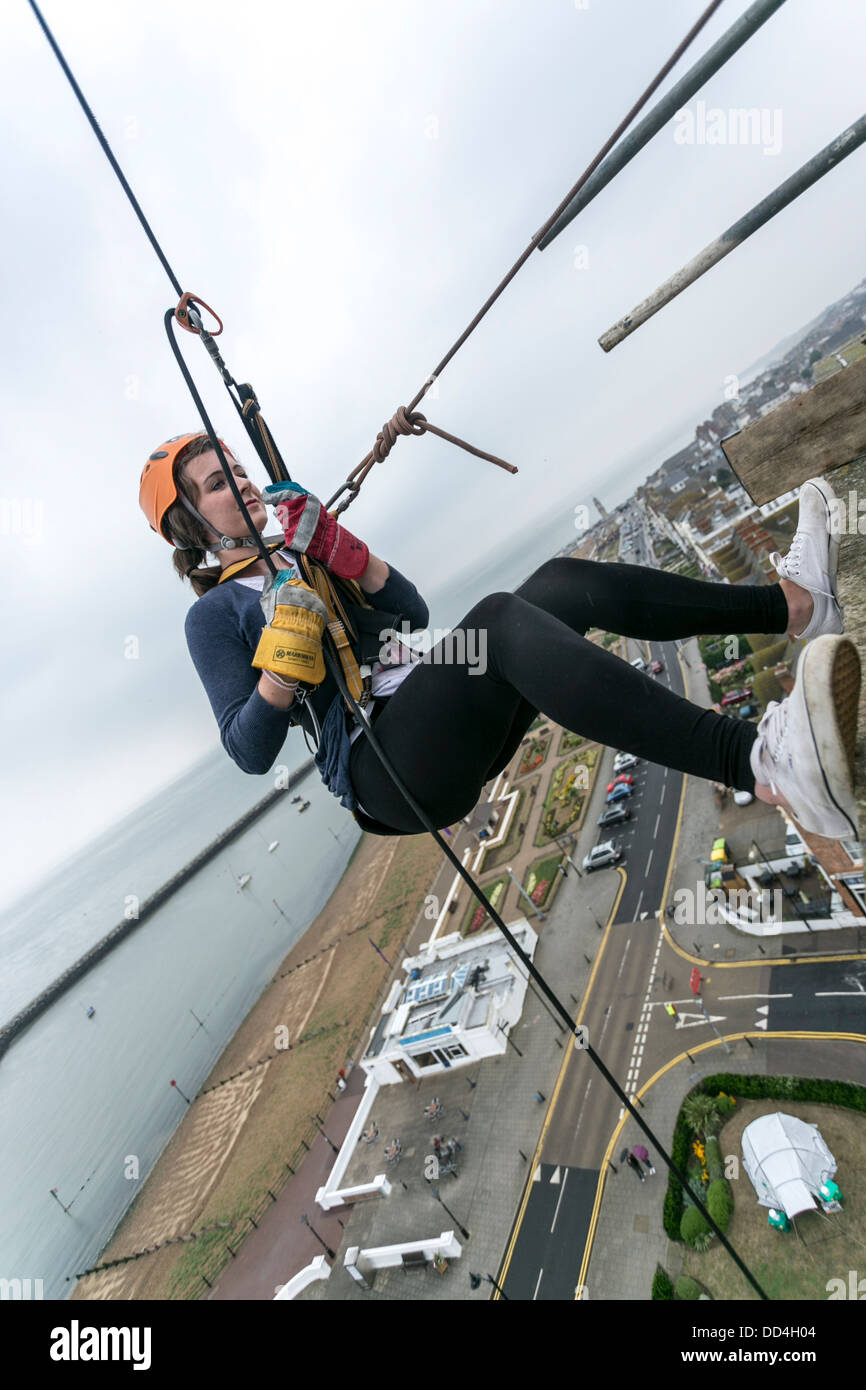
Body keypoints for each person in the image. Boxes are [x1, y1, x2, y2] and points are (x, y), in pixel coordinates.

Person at [139, 439, 860, 842]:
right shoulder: (215, 616)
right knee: (501, 618)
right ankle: (761, 762)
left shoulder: (301, 550)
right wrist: (281, 669)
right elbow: (247, 748)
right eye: (212, 484)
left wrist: (336, 544)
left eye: (233, 466)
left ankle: (795, 605)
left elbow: (411, 611)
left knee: (557, 583)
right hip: (381, 766)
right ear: (192, 528)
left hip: (423, 707)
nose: (237, 478)